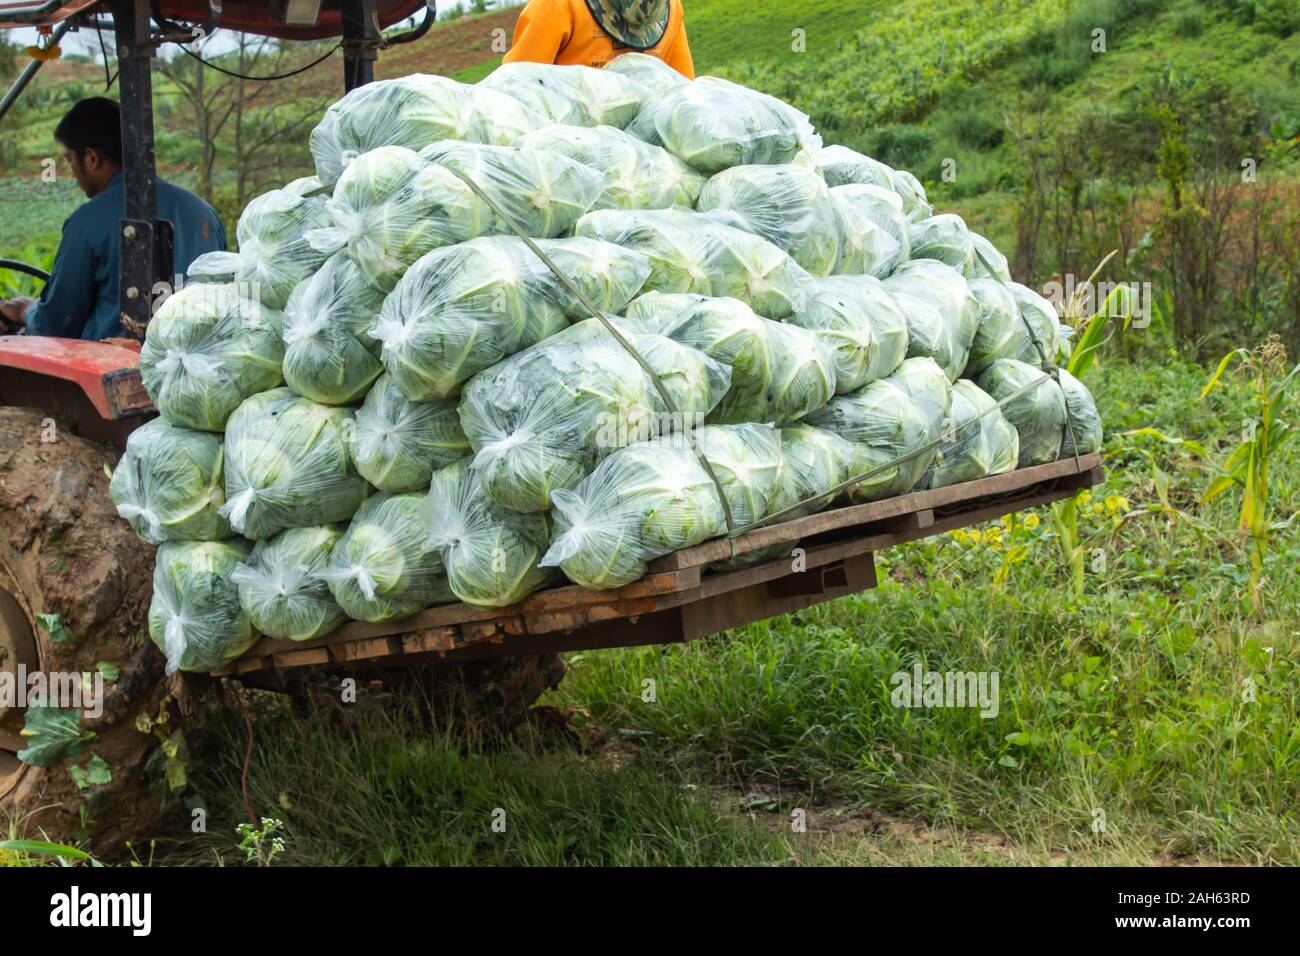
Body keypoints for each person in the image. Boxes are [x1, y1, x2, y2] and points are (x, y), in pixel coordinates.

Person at [0, 97, 227, 340]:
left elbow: (57, 325)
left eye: (69, 160)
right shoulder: (203, 213)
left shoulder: (86, 223)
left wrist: (25, 310)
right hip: (202, 366)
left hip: (116, 370)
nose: (73, 173)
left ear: (91, 158)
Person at [503, 0, 694, 78]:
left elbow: (515, 92)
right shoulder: (672, 7)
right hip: (651, 156)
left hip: (570, 155)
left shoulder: (555, 5)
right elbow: (685, 94)